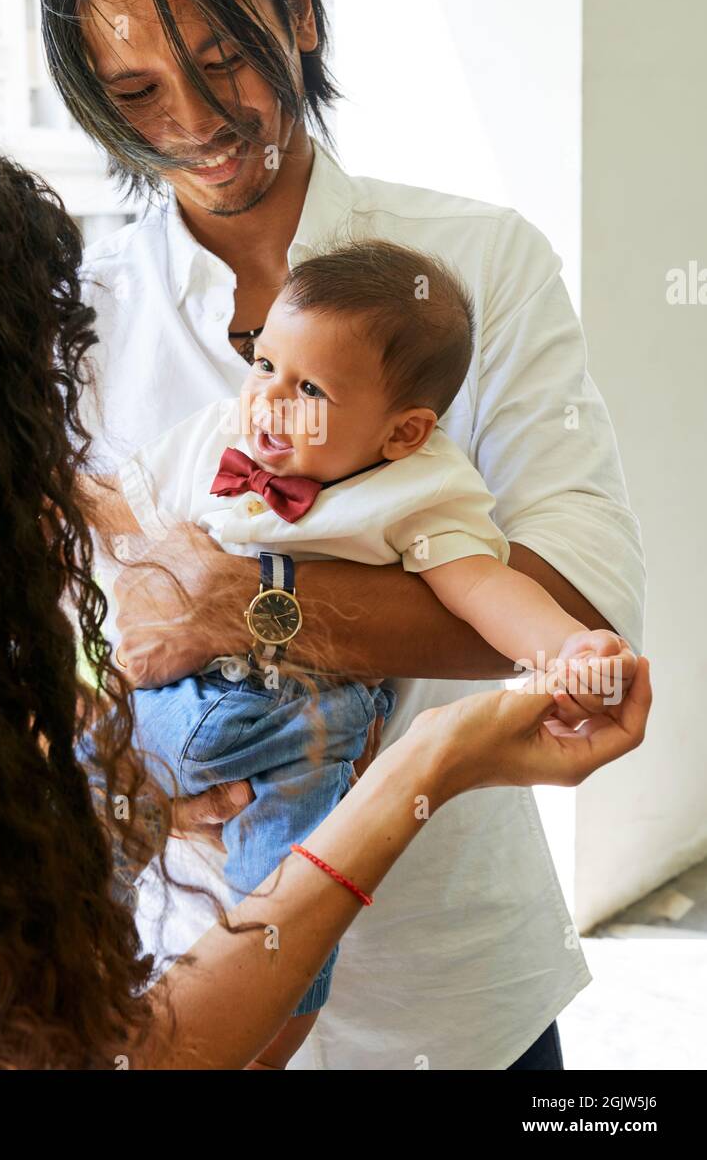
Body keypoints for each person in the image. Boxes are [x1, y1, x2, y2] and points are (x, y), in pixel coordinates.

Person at [0, 136, 651, 1070]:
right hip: (182, 756)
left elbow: (513, 591)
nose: (267, 402)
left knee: (266, 886)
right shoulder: (197, 425)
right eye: (37, 398)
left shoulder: (425, 462)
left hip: (351, 817)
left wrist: (562, 656)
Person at [41, 0, 647, 1069]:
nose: (199, 125)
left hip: (450, 990)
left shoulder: (473, 269)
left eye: (223, 61)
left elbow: (576, 604)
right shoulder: (79, 315)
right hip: (181, 968)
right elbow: (61, 638)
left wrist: (249, 606)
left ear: (300, 12)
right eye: (140, 90)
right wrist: (109, 773)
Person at [96, 238, 637, 1068]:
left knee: (280, 900)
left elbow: (484, 590)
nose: (268, 402)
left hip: (299, 734)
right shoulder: (217, 438)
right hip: (166, 704)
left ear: (403, 430)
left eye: (308, 389)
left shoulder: (417, 490)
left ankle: (274, 1036)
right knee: (73, 802)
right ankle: (61, 964)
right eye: (263, 363)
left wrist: (569, 650)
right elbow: (119, 515)